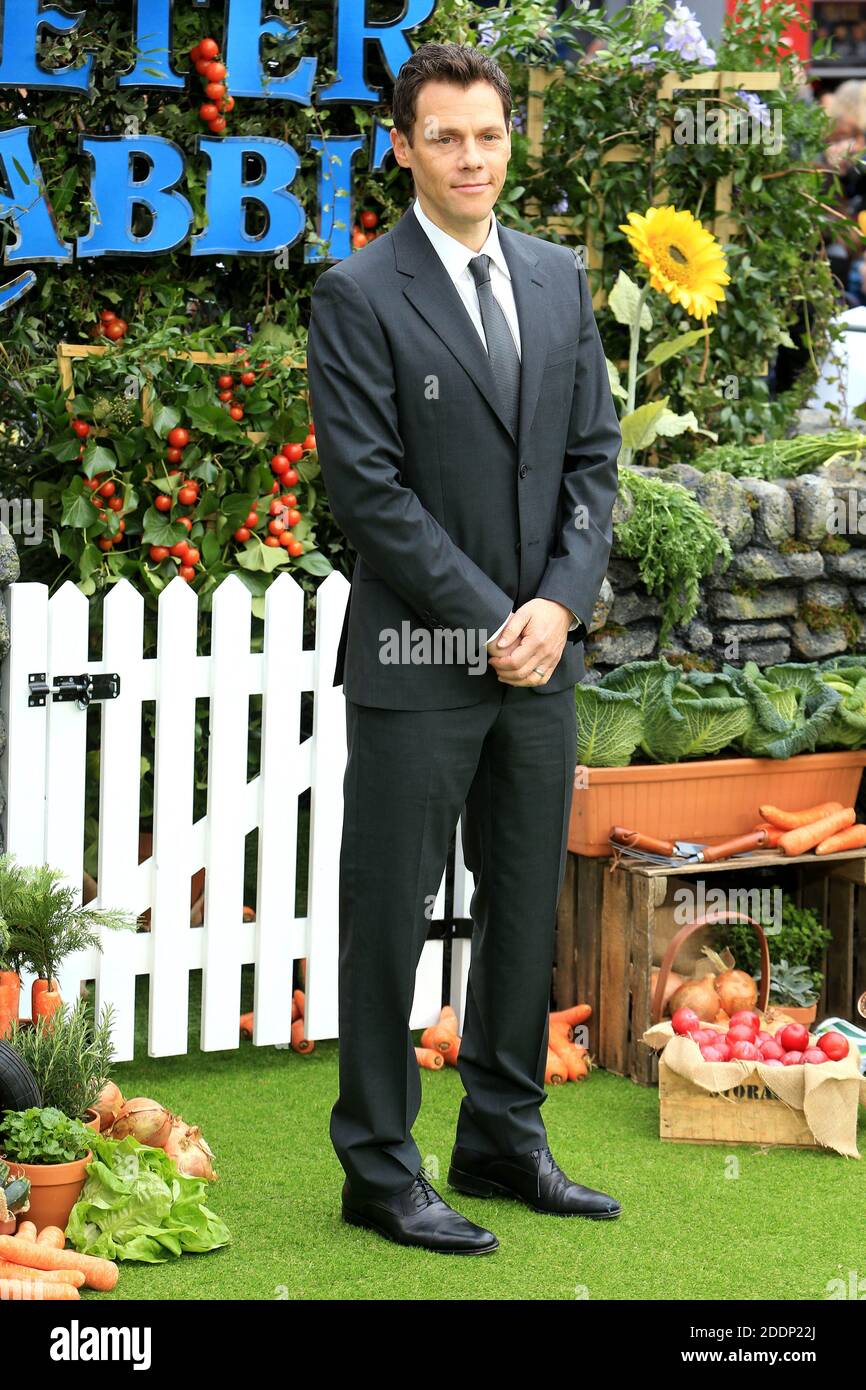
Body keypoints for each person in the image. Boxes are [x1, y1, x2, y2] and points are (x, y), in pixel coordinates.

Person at [305, 41, 622, 1256]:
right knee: (387, 914)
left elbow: (593, 459)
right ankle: (378, 1168)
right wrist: (491, 618)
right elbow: (370, 495)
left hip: (542, 656)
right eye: (443, 136)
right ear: (402, 146)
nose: (469, 156)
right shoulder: (359, 294)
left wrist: (556, 606)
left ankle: (499, 1136)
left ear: (508, 139)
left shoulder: (554, 279)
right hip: (418, 661)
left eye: (486, 134)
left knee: (520, 906)